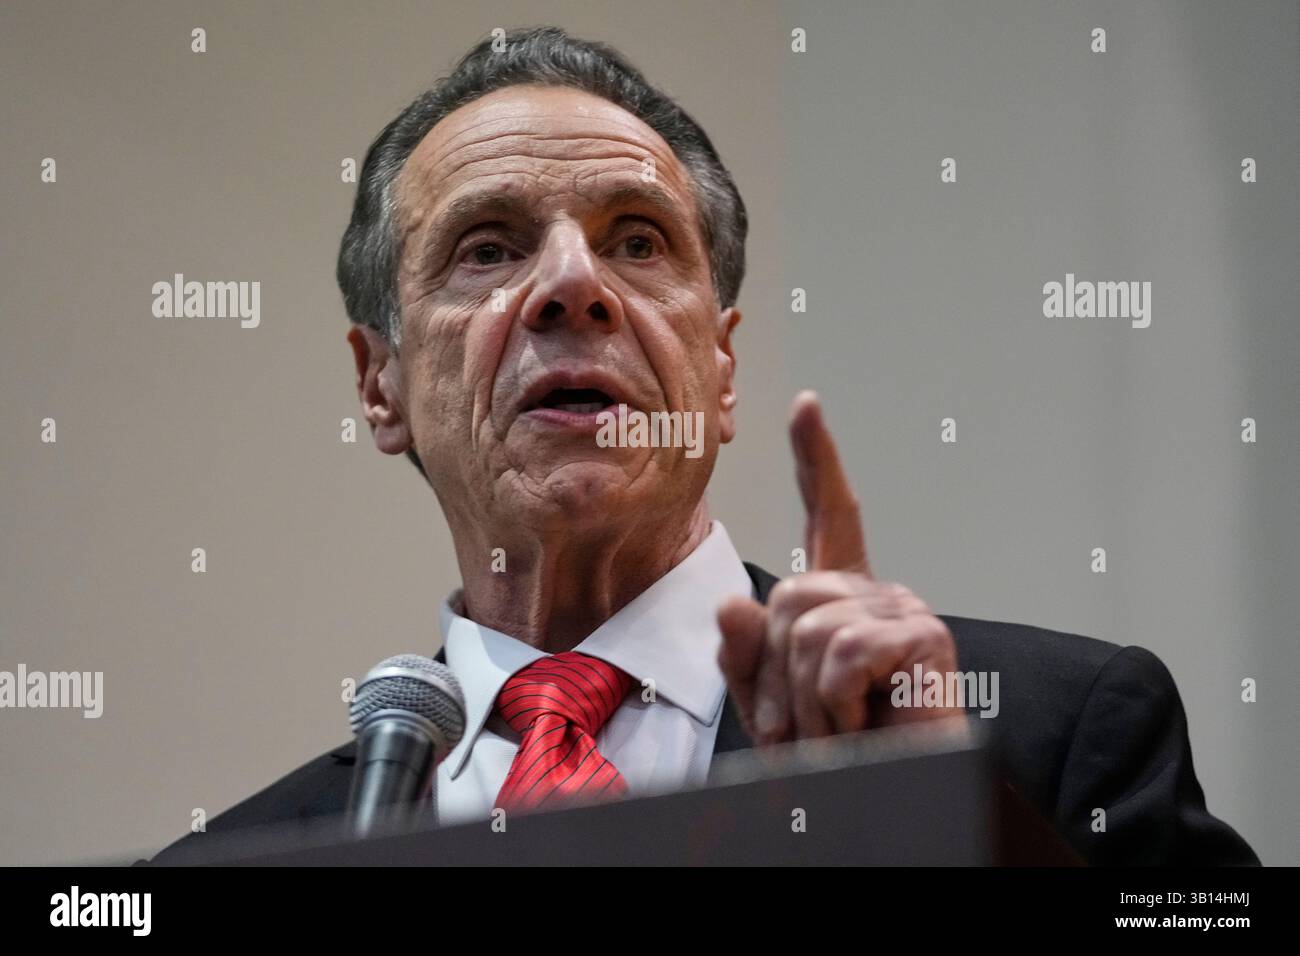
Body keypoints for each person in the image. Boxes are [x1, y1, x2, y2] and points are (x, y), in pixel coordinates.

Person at [150, 26, 1256, 866]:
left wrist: (935, 824)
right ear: (377, 382)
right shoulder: (224, 859)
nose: (573, 287)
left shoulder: (1047, 732)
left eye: (637, 241)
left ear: (720, 367)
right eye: (487, 249)